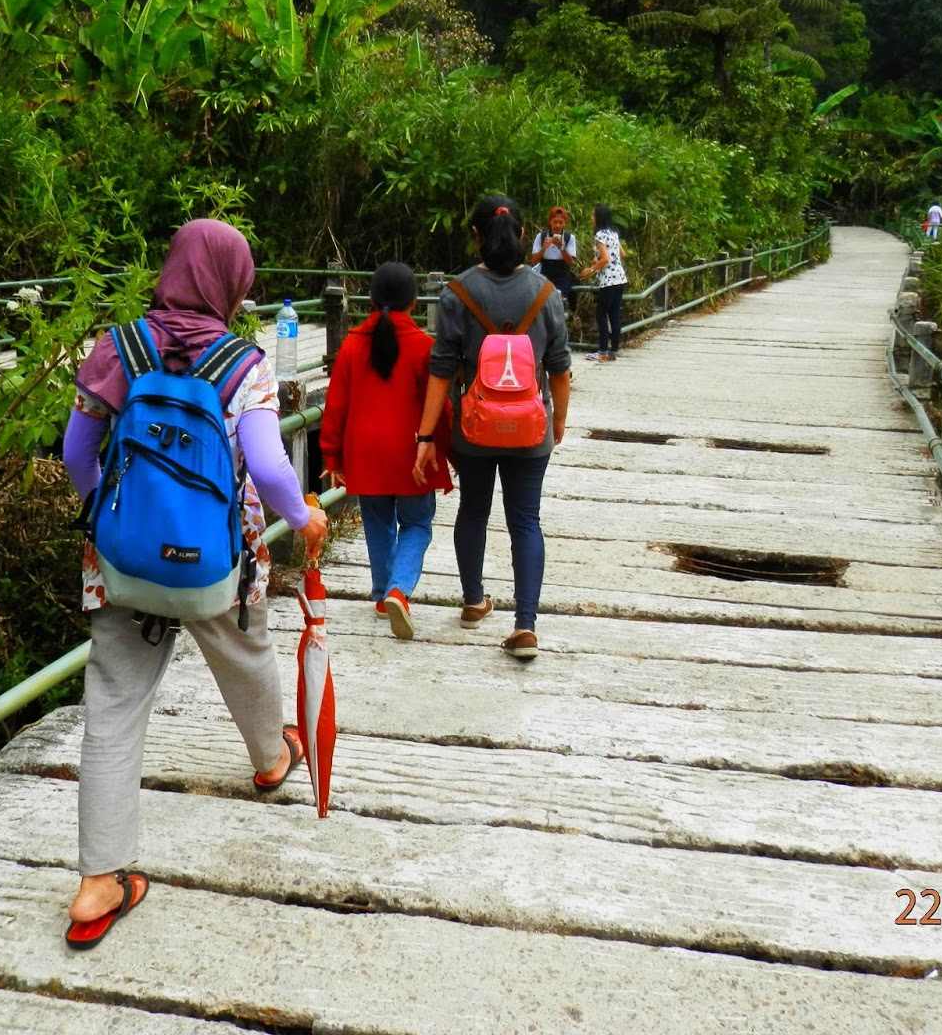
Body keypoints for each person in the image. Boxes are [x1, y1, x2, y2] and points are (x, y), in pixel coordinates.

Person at [59, 219, 328, 949]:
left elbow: (76, 451)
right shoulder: (246, 363)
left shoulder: (118, 347)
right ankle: (272, 758)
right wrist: (302, 517)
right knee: (246, 653)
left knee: (112, 703)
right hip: (218, 557)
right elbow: (270, 468)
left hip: (120, 560)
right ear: (233, 283)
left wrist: (109, 523)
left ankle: (96, 885)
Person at [414, 194, 572, 661]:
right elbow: (559, 369)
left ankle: (471, 600)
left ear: (476, 236)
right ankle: (525, 625)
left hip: (475, 428)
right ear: (524, 236)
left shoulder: (457, 292)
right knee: (525, 519)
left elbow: (441, 371)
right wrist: (558, 420)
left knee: (473, 510)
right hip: (530, 429)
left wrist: (425, 438)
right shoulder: (546, 293)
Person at [320, 261, 452, 640]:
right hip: (412, 454)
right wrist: (449, 452)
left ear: (371, 300)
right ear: (414, 303)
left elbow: (336, 406)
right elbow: (440, 408)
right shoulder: (425, 347)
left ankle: (382, 595)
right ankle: (399, 590)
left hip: (364, 453)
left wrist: (332, 456)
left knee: (377, 524)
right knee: (416, 524)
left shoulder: (350, 346)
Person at [579, 203, 628, 362]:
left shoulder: (600, 235)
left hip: (608, 280)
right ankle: (614, 350)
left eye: (593, 215)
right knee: (614, 314)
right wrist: (599, 260)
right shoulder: (613, 233)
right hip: (620, 277)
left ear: (599, 217)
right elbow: (622, 253)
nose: (591, 218)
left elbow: (606, 259)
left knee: (601, 314)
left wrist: (591, 269)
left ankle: (602, 351)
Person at [529, 206, 578, 306]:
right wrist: (543, 248)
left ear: (565, 223)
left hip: (562, 274)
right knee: (544, 302)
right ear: (550, 222)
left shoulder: (569, 238)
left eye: (561, 222)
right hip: (545, 273)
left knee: (560, 301)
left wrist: (561, 247)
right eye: (555, 222)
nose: (557, 225)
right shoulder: (541, 236)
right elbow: (533, 260)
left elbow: (570, 262)